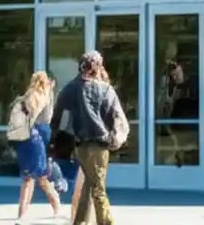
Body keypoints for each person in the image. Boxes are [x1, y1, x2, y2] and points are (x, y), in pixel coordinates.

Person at [51, 50, 126, 225]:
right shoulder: (106, 89)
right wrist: (114, 139)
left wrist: (55, 141)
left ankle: (80, 221)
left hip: (79, 146)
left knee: (89, 185)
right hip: (99, 146)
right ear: (97, 67)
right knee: (99, 189)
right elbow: (117, 117)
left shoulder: (69, 89)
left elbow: (57, 117)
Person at [9, 71, 61, 222]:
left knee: (31, 178)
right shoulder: (40, 96)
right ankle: (52, 206)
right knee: (38, 177)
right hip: (33, 138)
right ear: (48, 82)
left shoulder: (33, 95)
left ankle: (23, 213)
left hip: (28, 138)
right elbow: (43, 119)